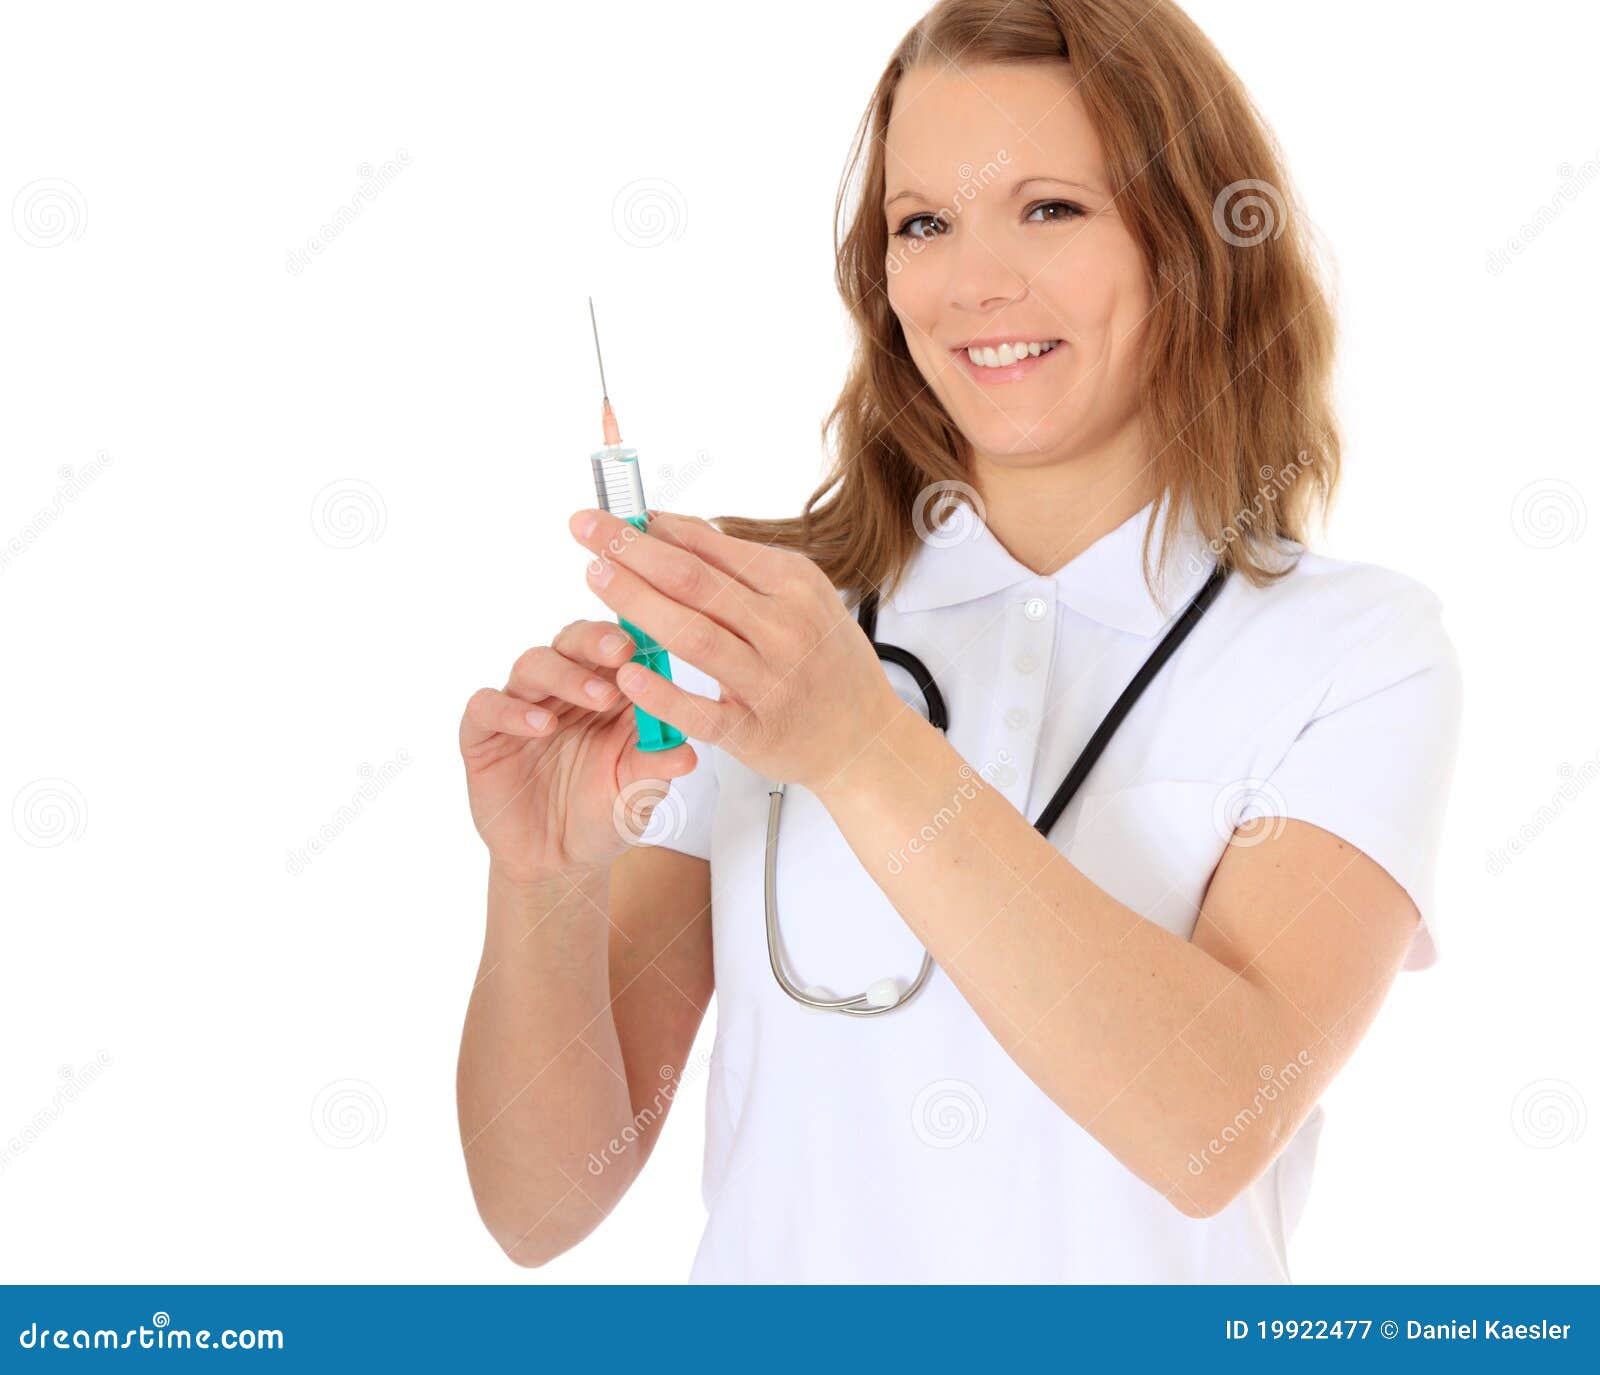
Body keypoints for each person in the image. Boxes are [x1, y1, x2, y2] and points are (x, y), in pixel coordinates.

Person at [454, 0, 1462, 1283]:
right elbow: (538, 1210)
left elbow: (1212, 1124)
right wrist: (541, 879)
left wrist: (861, 745)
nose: (974, 284)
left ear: (1197, 239)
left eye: (1050, 207)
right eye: (922, 222)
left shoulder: (1354, 650)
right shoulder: (769, 630)